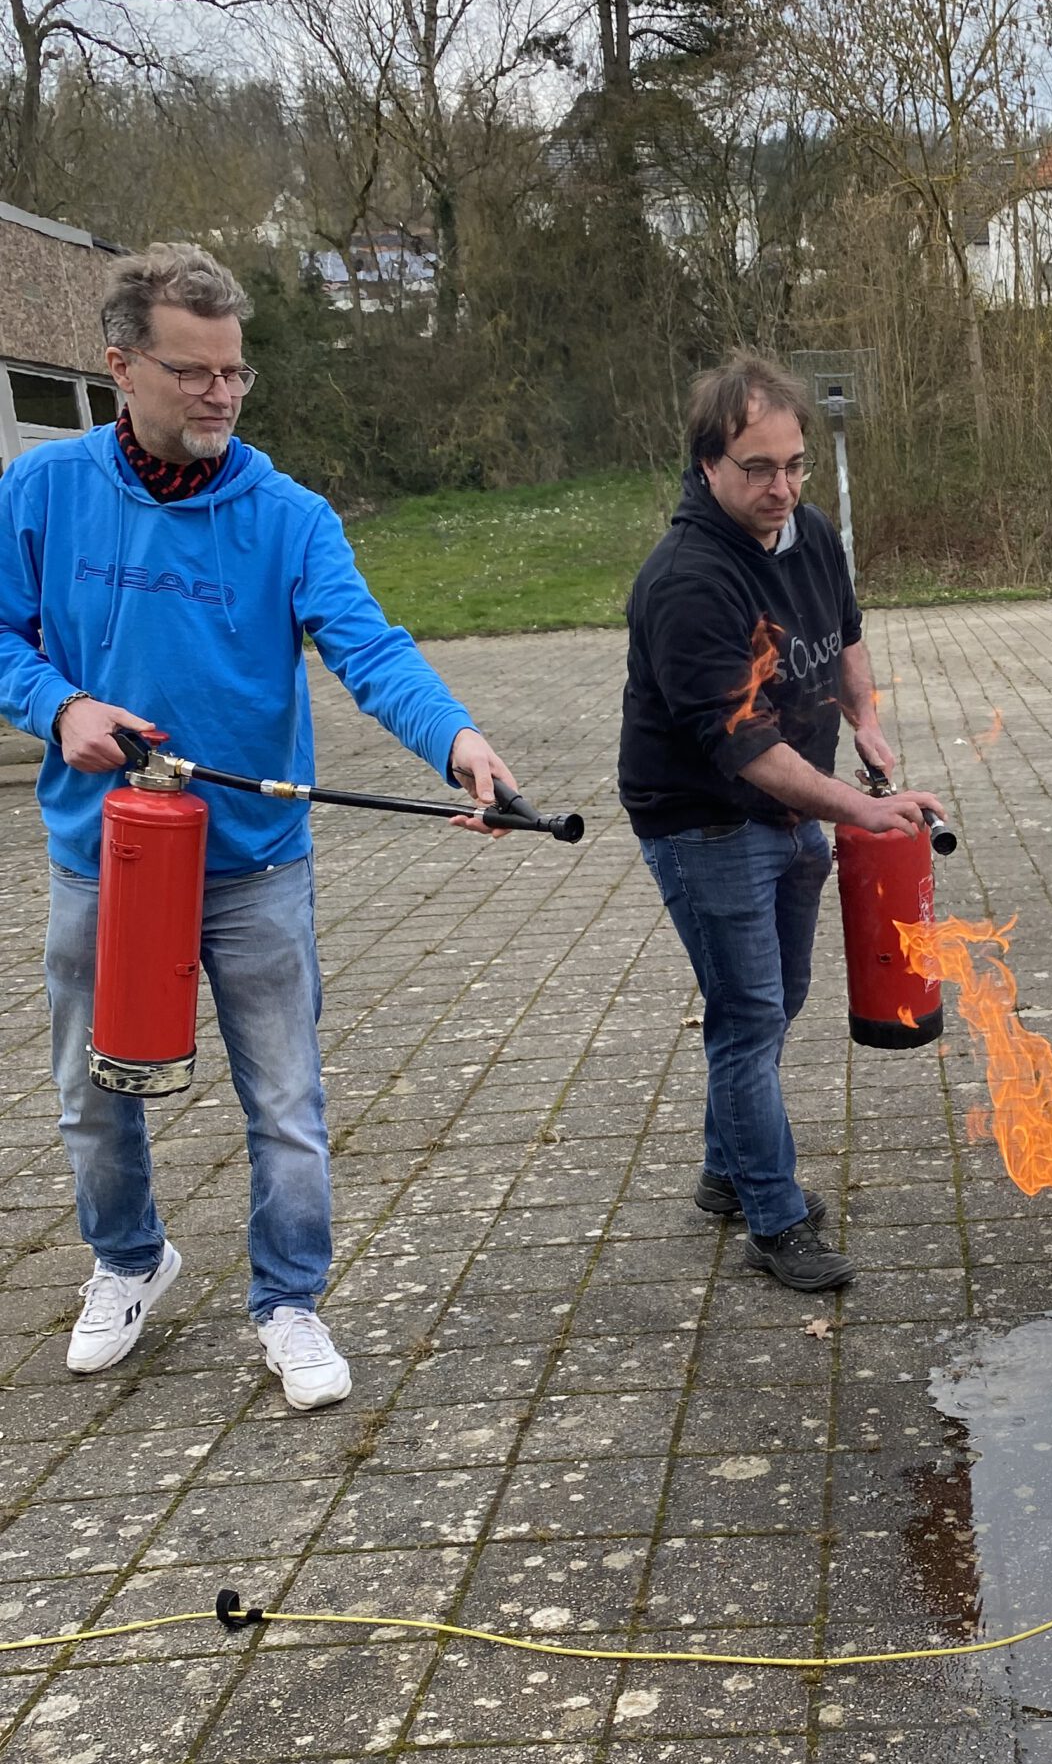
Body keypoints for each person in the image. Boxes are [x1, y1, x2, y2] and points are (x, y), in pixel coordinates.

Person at [0, 242, 519, 1407]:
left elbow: (369, 648)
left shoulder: (287, 516)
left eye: (236, 372)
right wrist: (59, 704)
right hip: (105, 857)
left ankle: (289, 1301)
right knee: (95, 1088)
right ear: (119, 367)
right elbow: (0, 635)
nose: (222, 396)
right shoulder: (41, 493)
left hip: (253, 864)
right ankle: (129, 1259)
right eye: (194, 373)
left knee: (284, 1100)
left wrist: (458, 742)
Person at [620, 353, 945, 1294]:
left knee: (776, 1002)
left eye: (794, 464)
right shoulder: (686, 582)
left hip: (794, 804)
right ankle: (773, 1212)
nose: (783, 487)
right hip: (705, 822)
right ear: (709, 464)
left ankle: (726, 1170)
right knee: (750, 1012)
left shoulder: (810, 533)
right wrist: (864, 809)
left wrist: (868, 723)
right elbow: (749, 750)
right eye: (759, 468)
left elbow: (843, 637)